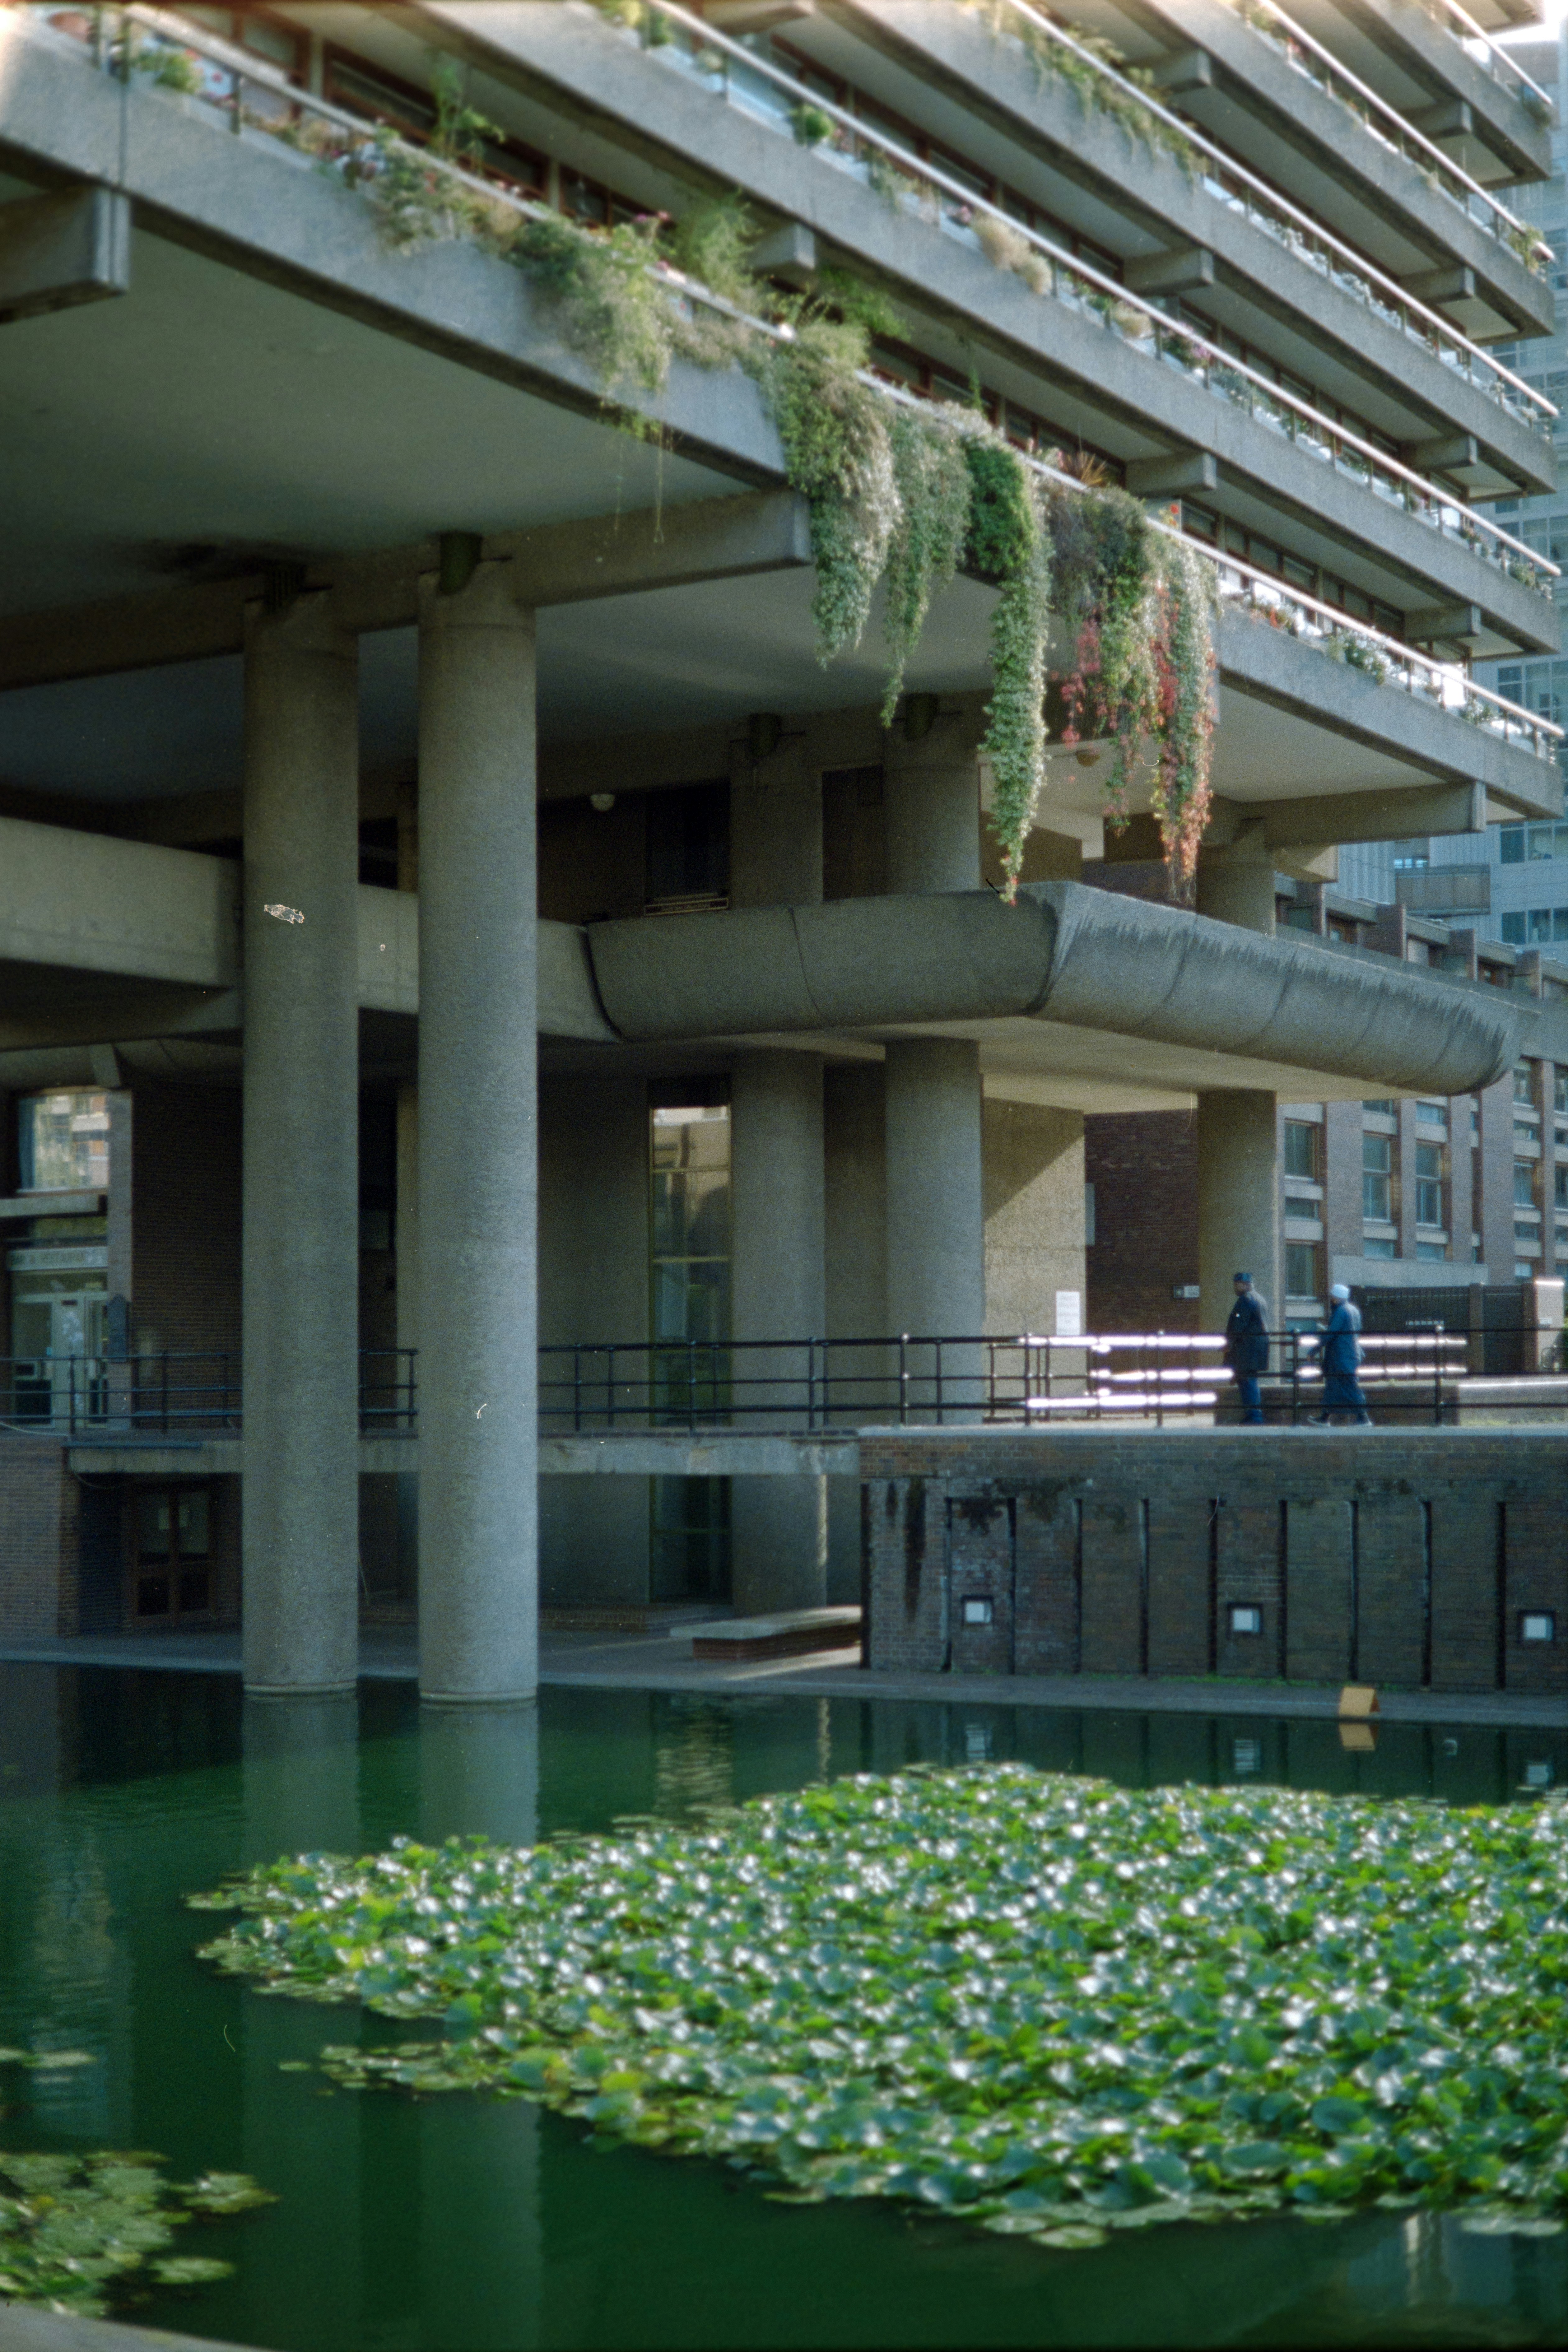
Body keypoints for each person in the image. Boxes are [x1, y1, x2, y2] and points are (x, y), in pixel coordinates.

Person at [1307, 1284, 1371, 1426]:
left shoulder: (1341, 1311)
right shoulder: (1354, 1310)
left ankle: (1363, 1419)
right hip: (1351, 1354)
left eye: (1332, 1296)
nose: (1331, 1299)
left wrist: (1314, 1350)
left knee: (1349, 1386)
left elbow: (1332, 1334)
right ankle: (1325, 1418)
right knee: (1333, 1387)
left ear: (1336, 1298)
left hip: (1341, 1356)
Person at [1223, 1271, 1269, 1425]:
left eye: (1237, 1284)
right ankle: (1254, 1415)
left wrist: (1228, 1343)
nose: (1235, 1287)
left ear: (1245, 1285)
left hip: (1247, 1350)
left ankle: (1255, 1417)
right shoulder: (1260, 1299)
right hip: (1257, 1349)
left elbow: (1238, 1325)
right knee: (1250, 1381)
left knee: (1247, 1382)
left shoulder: (1246, 1300)